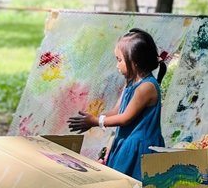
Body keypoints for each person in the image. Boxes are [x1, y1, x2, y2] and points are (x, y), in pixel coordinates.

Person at [68, 27, 166, 180]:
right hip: (126, 144)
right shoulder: (131, 83)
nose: (117, 65)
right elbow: (117, 111)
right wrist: (92, 118)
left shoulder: (147, 87)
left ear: (135, 62)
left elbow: (125, 118)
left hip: (140, 149)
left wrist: (96, 121)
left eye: (119, 60)